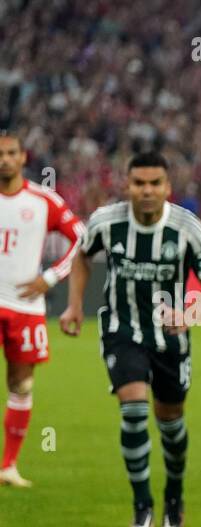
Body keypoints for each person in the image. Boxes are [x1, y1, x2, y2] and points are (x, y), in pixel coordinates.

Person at [61, 151, 201, 527]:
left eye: (154, 184)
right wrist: (74, 305)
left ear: (167, 187)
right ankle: (142, 504)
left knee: (171, 423)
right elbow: (81, 257)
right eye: (139, 184)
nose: (146, 191)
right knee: (133, 409)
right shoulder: (106, 221)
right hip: (122, 329)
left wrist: (191, 314)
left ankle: (173, 494)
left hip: (170, 337)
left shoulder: (187, 227)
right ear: (127, 185)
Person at [0, 130, 85, 487]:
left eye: (11, 153)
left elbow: (82, 237)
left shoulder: (42, 200)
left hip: (26, 307)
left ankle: (8, 466)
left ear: (23, 157)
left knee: (22, 382)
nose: (4, 159)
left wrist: (50, 278)